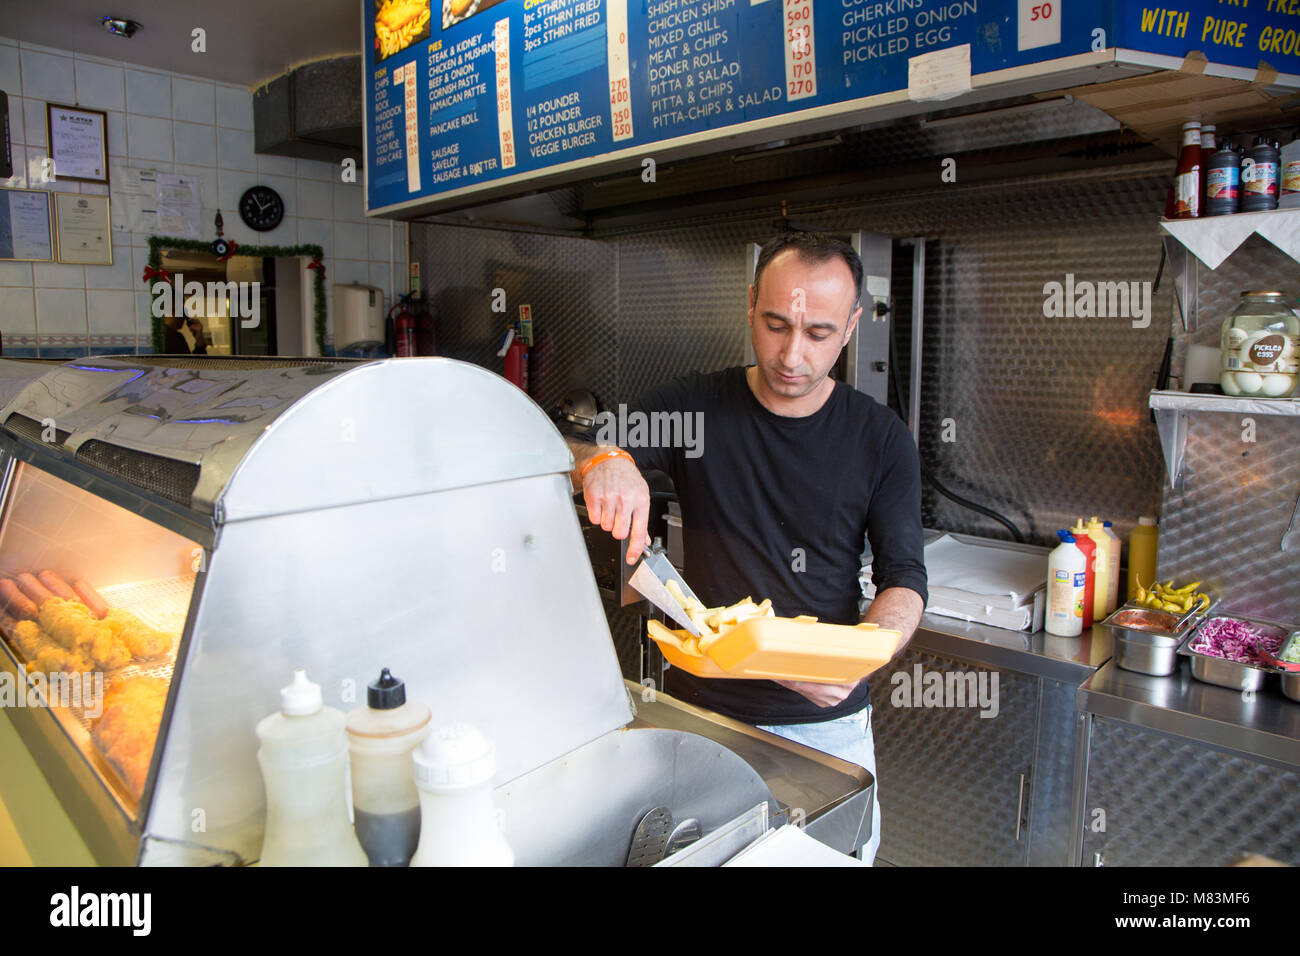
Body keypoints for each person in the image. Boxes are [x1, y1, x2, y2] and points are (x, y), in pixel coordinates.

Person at [567, 232, 927, 864]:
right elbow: (578, 444)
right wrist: (607, 459)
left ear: (849, 329)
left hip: (825, 731)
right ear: (750, 304)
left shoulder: (882, 439)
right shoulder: (695, 408)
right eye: (775, 324)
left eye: (817, 333)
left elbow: (905, 581)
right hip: (702, 717)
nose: (792, 354)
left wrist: (859, 662)